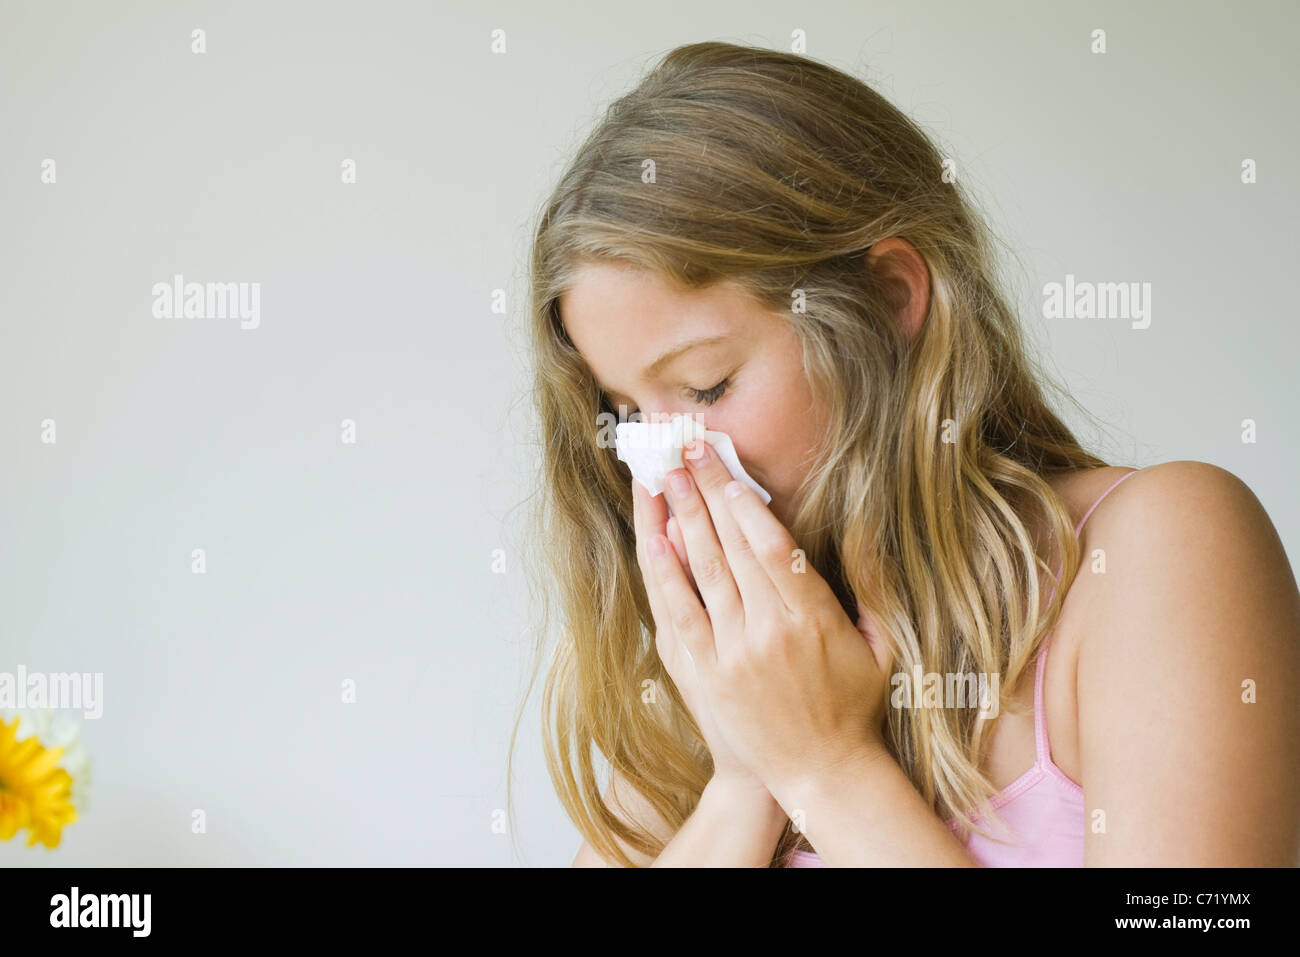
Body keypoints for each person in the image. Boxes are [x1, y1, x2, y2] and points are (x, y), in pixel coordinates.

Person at [509, 41, 1300, 866]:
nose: (666, 464)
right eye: (631, 414)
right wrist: (746, 779)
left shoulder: (1157, 549)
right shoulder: (718, 679)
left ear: (889, 300)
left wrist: (826, 767)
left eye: (706, 387)